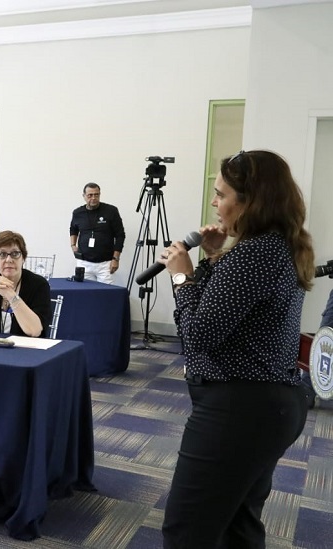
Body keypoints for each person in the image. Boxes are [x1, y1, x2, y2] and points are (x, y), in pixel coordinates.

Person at [159, 150, 314, 548]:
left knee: (186, 530)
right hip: (266, 405)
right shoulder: (274, 246)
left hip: (240, 409)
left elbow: (199, 337)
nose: (214, 203)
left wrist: (181, 278)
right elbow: (228, 311)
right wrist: (213, 257)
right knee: (237, 525)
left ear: (249, 202)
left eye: (221, 194)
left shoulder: (254, 253)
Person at [69, 182, 125, 284]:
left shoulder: (111, 211)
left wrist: (116, 258)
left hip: (105, 263)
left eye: (96, 194)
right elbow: (73, 229)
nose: (93, 198)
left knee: (105, 295)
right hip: (84, 262)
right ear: (84, 196)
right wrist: (73, 245)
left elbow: (120, 235)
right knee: (85, 293)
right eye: (90, 195)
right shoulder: (77, 212)